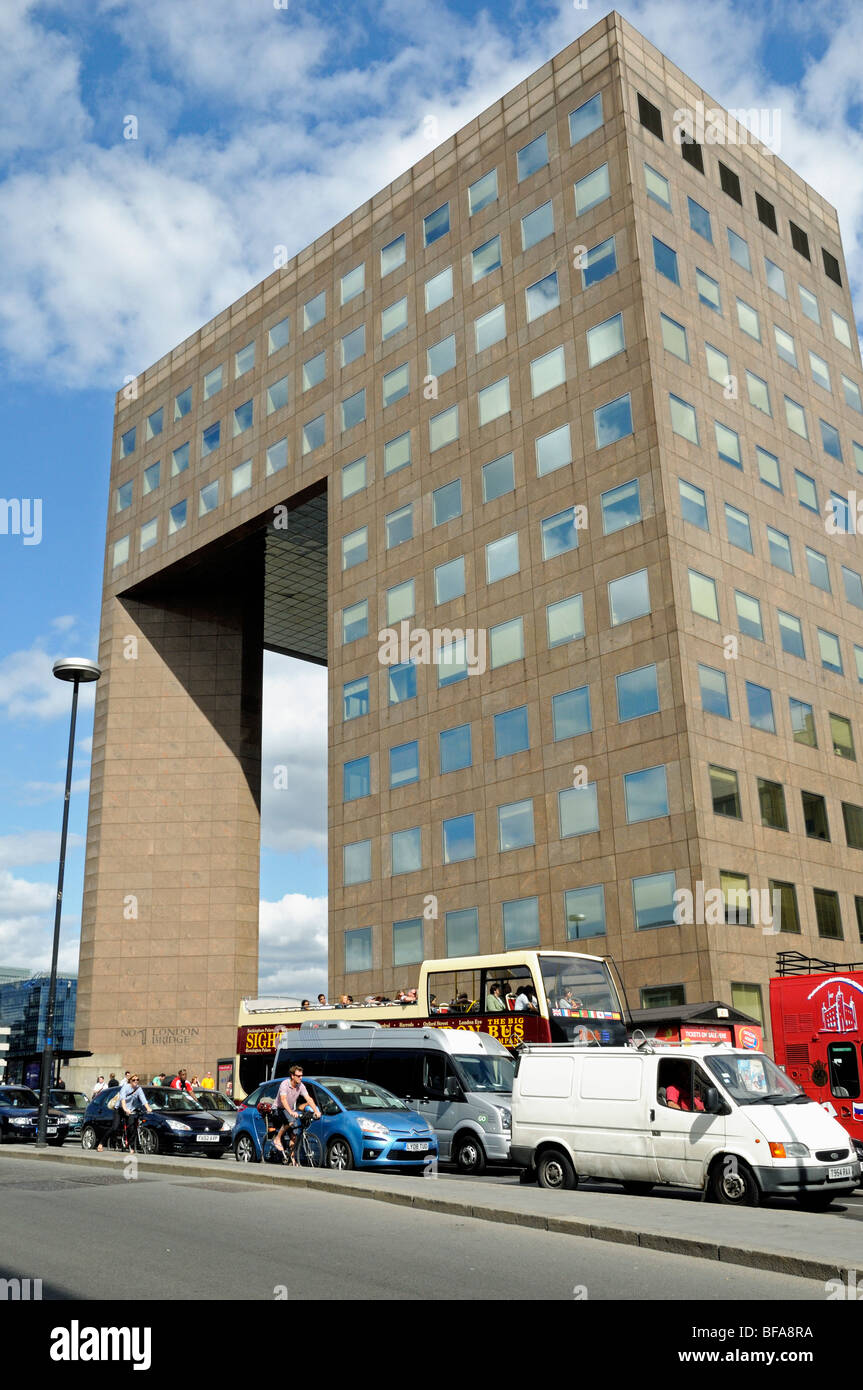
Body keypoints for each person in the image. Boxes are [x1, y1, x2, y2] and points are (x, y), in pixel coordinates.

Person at [272, 1065, 321, 1164]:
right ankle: (277, 1139)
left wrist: (316, 1111)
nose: (300, 1078)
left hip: (289, 1110)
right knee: (290, 1122)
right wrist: (291, 1112)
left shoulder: (301, 1086)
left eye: (301, 1076)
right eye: (298, 1076)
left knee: (294, 1135)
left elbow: (309, 1099)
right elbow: (283, 1099)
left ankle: (291, 1158)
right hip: (278, 1109)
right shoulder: (284, 1084)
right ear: (292, 1076)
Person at [97, 1072, 152, 1151]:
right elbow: (122, 1100)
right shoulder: (125, 1087)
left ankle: (131, 1147)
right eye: (134, 1080)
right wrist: (125, 1109)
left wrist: (148, 1108)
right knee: (114, 1127)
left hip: (131, 1110)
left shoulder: (139, 1089)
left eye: (137, 1080)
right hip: (120, 1109)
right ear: (130, 1081)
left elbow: (144, 1100)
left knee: (132, 1127)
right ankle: (101, 1143)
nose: (136, 1081)